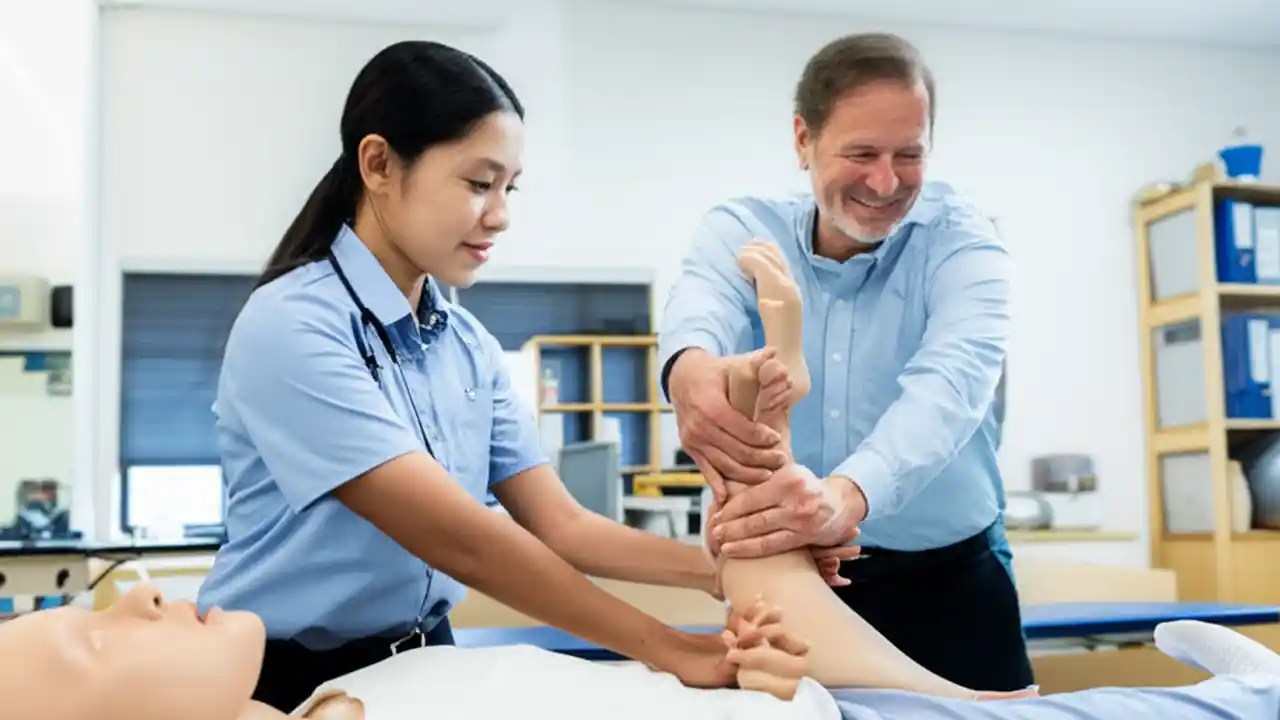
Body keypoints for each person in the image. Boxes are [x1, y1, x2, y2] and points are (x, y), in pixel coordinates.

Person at [195, 40, 849, 713]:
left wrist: (721, 571)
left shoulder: (467, 345)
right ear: (379, 164)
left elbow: (563, 526)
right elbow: (466, 542)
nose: (501, 214)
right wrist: (671, 647)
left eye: (510, 187)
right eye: (479, 184)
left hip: (422, 660)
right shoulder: (293, 326)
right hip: (284, 676)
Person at [657, 31, 1031, 691]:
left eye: (908, 155)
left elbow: (948, 390)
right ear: (803, 139)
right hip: (804, 569)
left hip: (952, 572)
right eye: (861, 153)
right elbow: (699, 312)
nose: (886, 182)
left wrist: (844, 496)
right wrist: (690, 375)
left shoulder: (966, 246)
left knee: (995, 710)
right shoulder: (742, 229)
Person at [4, 582, 1279, 720]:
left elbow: (541, 523)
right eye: (90, 645)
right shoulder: (299, 331)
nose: (128, 597)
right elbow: (483, 537)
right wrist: (679, 644)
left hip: (800, 703)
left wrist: (688, 649)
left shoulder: (343, 696)